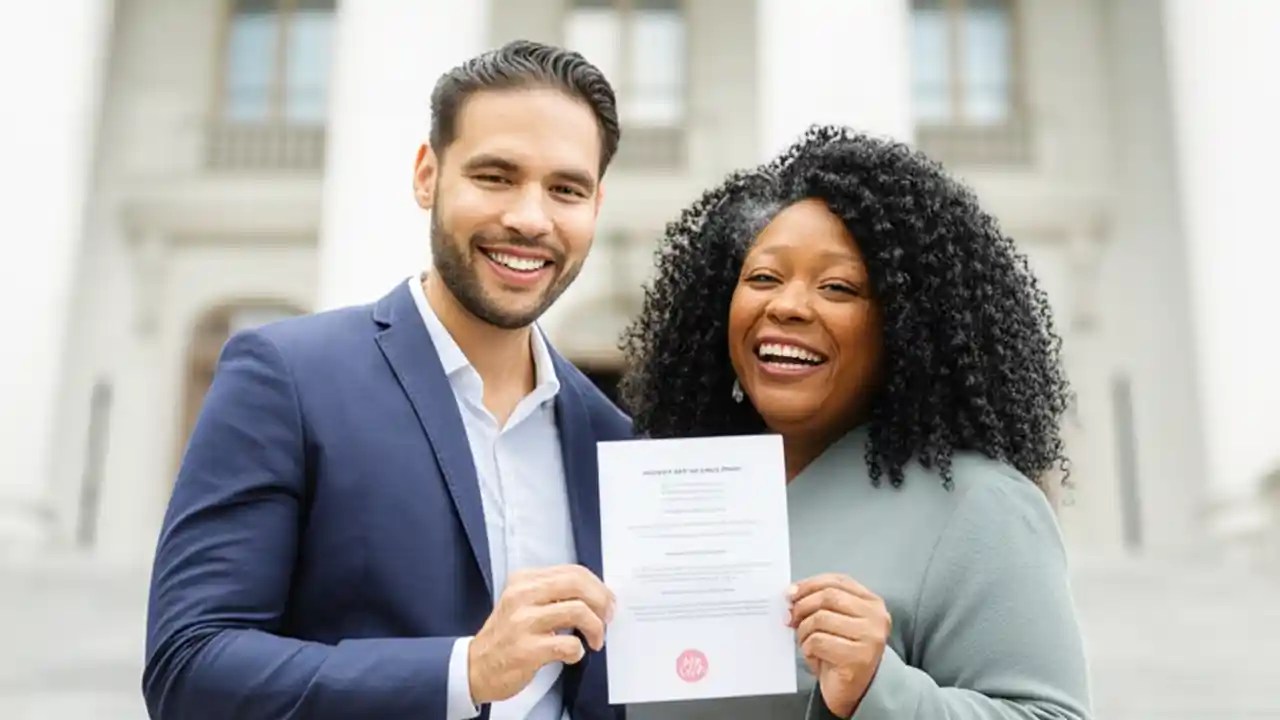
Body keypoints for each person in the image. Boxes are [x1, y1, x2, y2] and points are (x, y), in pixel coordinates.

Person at [143, 40, 631, 720]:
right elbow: (190, 668)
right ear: (427, 174)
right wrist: (464, 671)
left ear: (596, 204)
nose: (530, 217)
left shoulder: (617, 439)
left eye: (566, 189)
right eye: (495, 176)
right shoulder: (286, 377)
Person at [619, 125, 1092, 720]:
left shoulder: (980, 506)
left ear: (908, 328)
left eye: (838, 287)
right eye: (763, 277)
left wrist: (879, 687)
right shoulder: (676, 502)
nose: (786, 305)